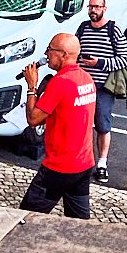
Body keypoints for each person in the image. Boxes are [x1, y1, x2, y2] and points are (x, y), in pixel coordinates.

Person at [18, 34, 97, 219]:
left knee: (26, 217)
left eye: (50, 50)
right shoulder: (86, 79)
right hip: (84, 163)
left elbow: (33, 119)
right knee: (79, 221)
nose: (46, 54)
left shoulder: (60, 83)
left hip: (60, 167)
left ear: (63, 54)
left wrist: (32, 86)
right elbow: (65, 112)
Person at [75, 0, 127, 184]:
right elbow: (74, 53)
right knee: (81, 125)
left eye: (97, 7)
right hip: (82, 86)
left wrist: (98, 63)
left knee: (102, 126)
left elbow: (124, 60)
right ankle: (82, 161)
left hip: (103, 88)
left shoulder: (113, 30)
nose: (93, 10)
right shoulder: (82, 28)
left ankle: (102, 164)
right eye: (91, 7)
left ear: (104, 9)